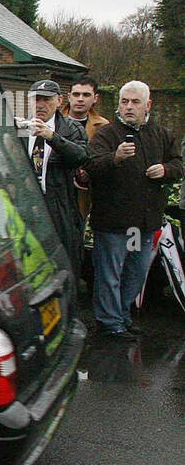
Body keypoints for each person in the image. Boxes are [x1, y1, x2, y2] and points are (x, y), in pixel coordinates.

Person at [84, 80, 184, 339]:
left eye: (135, 102)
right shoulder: (106, 134)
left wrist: (165, 171)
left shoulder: (161, 134)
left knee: (135, 273)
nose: (128, 107)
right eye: (124, 101)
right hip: (113, 222)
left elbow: (178, 165)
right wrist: (114, 158)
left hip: (144, 222)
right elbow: (90, 167)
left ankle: (123, 315)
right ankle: (109, 322)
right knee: (110, 274)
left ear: (148, 105)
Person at [21, 79, 87, 270]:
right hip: (28, 206)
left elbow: (80, 157)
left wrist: (51, 137)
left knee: (61, 262)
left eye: (46, 100)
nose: (40, 105)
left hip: (59, 205)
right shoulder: (21, 128)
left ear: (59, 101)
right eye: (36, 99)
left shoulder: (71, 128)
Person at [65, 77, 110, 223]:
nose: (80, 99)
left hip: (87, 192)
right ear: (68, 97)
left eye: (86, 95)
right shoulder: (53, 122)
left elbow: (107, 160)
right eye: (76, 94)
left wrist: (89, 173)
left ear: (95, 98)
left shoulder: (103, 127)